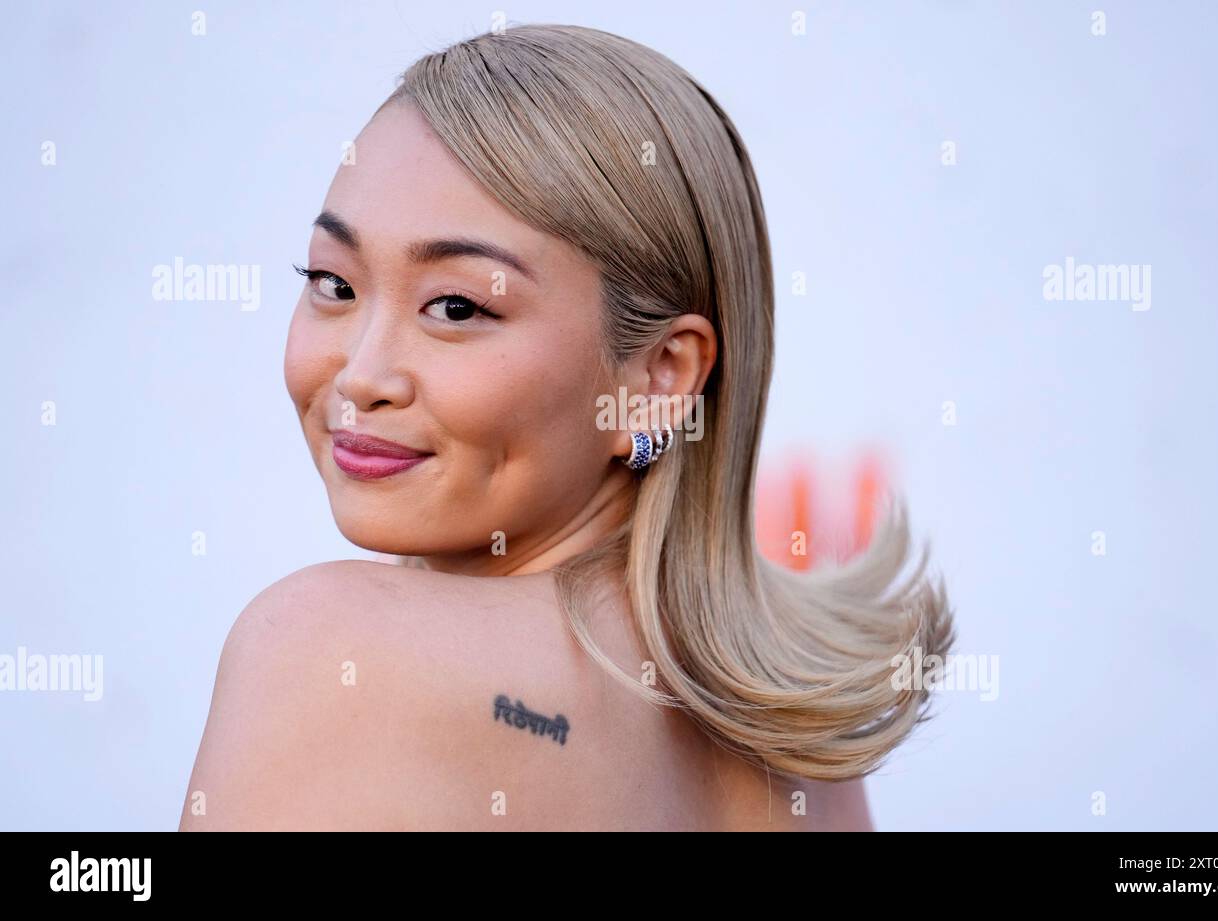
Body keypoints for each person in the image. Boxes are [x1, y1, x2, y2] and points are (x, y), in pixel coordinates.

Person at [180, 23, 954, 832]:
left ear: (660, 376)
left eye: (456, 307)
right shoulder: (798, 737)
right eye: (332, 283)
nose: (362, 375)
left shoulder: (327, 649)